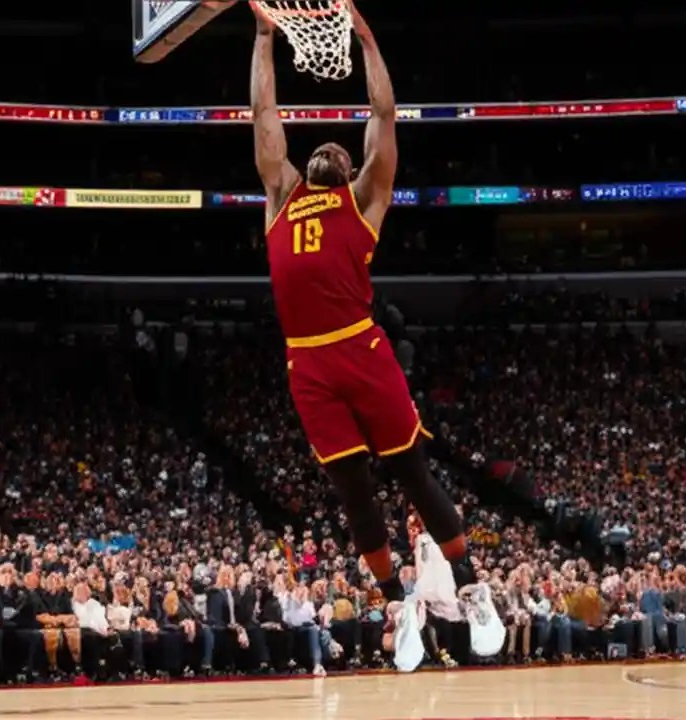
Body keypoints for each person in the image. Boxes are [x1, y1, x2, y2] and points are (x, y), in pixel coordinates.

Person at [249, 0, 467, 603]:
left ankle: (470, 587)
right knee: (352, 488)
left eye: (341, 151)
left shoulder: (364, 198)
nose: (330, 147)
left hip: (360, 344)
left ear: (348, 170)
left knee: (412, 472)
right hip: (308, 360)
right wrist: (265, 36)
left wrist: (367, 41)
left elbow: (384, 113)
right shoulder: (281, 191)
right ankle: (395, 601)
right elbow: (264, 113)